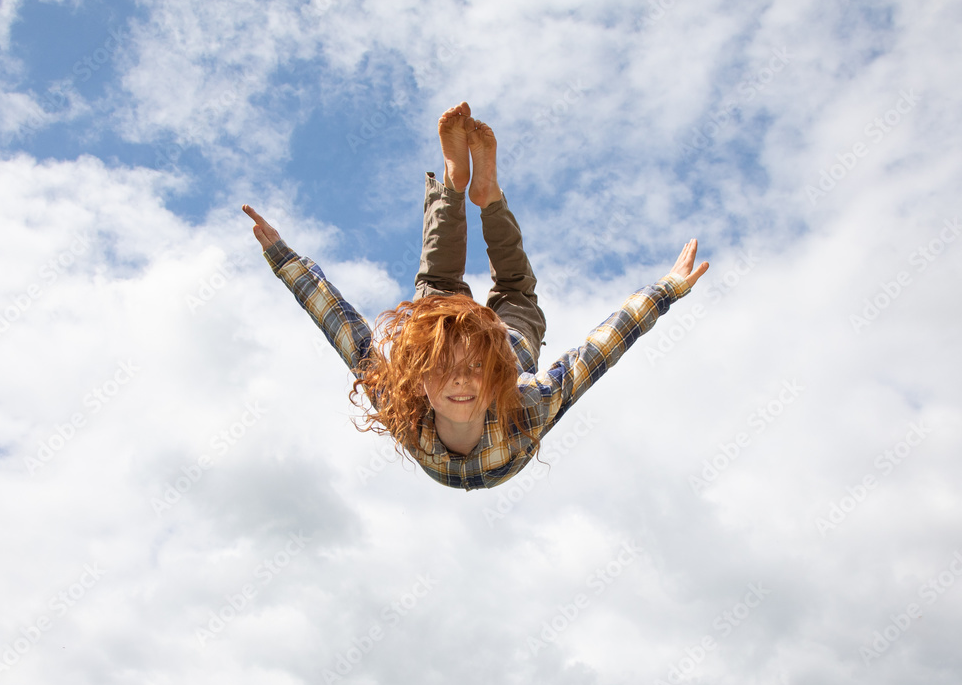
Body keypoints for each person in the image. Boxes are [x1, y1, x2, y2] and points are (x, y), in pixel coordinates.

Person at [243, 102, 708, 491]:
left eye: (472, 370)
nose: (462, 382)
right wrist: (664, 291)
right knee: (516, 291)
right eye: (447, 370)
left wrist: (286, 261)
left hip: (493, 351)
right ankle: (489, 196)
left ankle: (454, 183)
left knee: (436, 289)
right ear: (422, 379)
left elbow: (343, 329)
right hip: (512, 342)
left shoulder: (410, 404)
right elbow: (600, 349)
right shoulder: (528, 405)